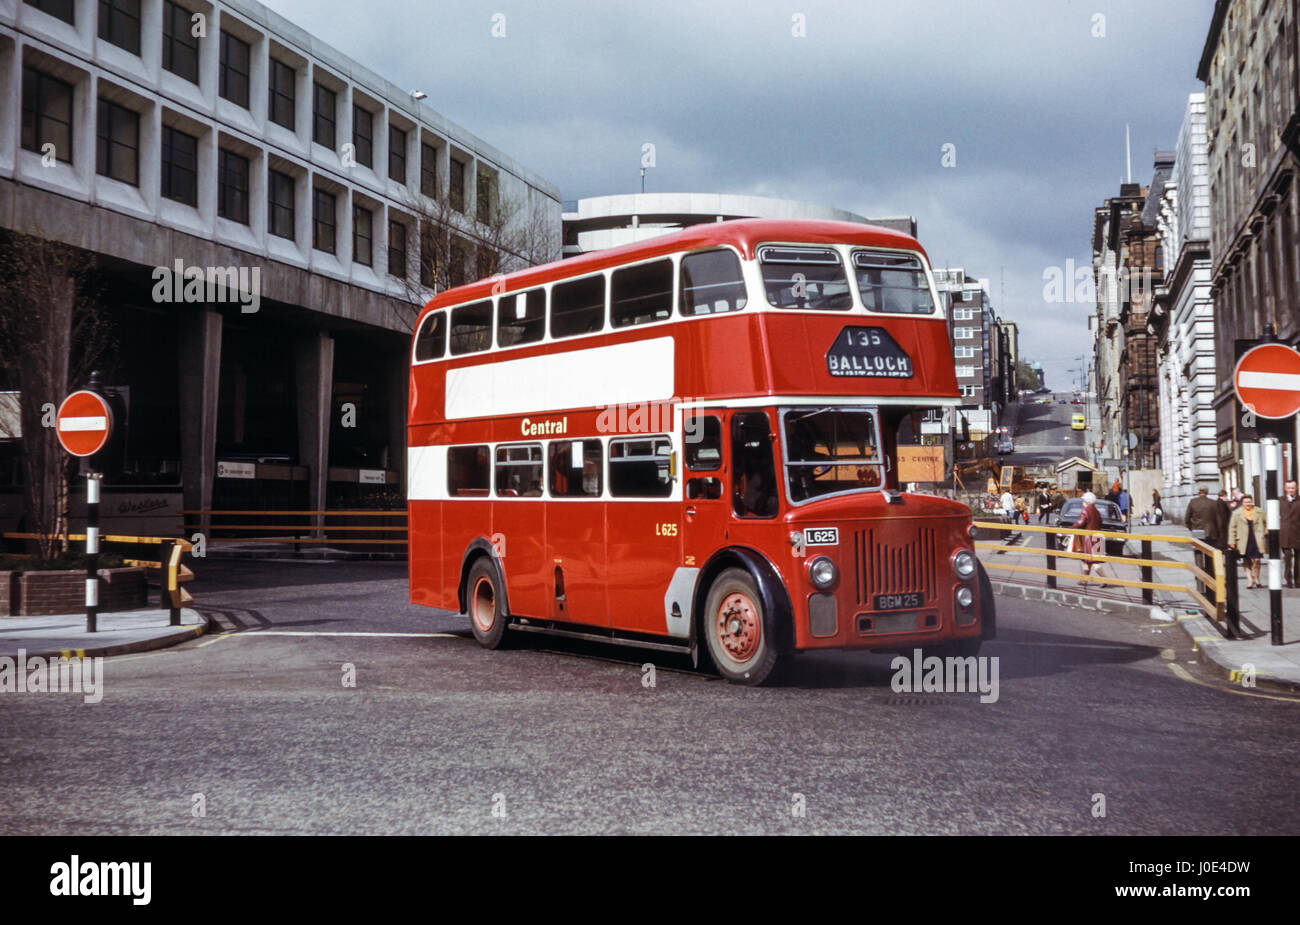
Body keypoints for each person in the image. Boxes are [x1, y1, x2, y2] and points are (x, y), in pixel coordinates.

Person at [1228, 494, 1268, 589]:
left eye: (1249, 502)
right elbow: (1232, 527)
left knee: (1257, 559)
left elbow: (1267, 522)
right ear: (1242, 503)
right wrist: (1232, 541)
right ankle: (1250, 580)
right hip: (1243, 539)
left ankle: (1257, 578)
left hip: (1256, 538)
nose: (1248, 504)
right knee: (1246, 560)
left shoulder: (1259, 511)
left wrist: (1265, 531)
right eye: (1246, 502)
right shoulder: (1237, 513)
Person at [1073, 490, 1112, 586]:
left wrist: (1074, 525)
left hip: (1088, 539)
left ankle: (1105, 580)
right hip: (1097, 537)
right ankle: (1084, 580)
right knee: (1087, 561)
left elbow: (1080, 523)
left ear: (1086, 501)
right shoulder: (1096, 511)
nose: (1082, 502)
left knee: (1093, 561)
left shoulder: (1085, 510)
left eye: (1083, 500)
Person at [1282, 479, 1300, 589]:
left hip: (1298, 533)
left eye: (1292, 488)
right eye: (1289, 488)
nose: (1291, 490)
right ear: (1285, 489)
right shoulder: (1280, 500)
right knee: (1287, 558)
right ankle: (1288, 579)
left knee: (1298, 559)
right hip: (1285, 534)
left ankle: (1298, 581)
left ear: (1296, 488)